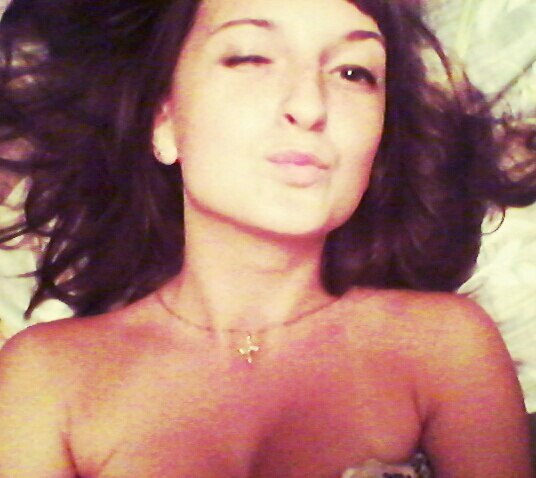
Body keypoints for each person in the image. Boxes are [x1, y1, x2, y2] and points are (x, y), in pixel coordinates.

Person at [0, 0, 535, 476]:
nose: (311, 106)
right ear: (163, 120)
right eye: (251, 57)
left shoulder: (445, 347)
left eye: (353, 73)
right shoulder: (47, 378)